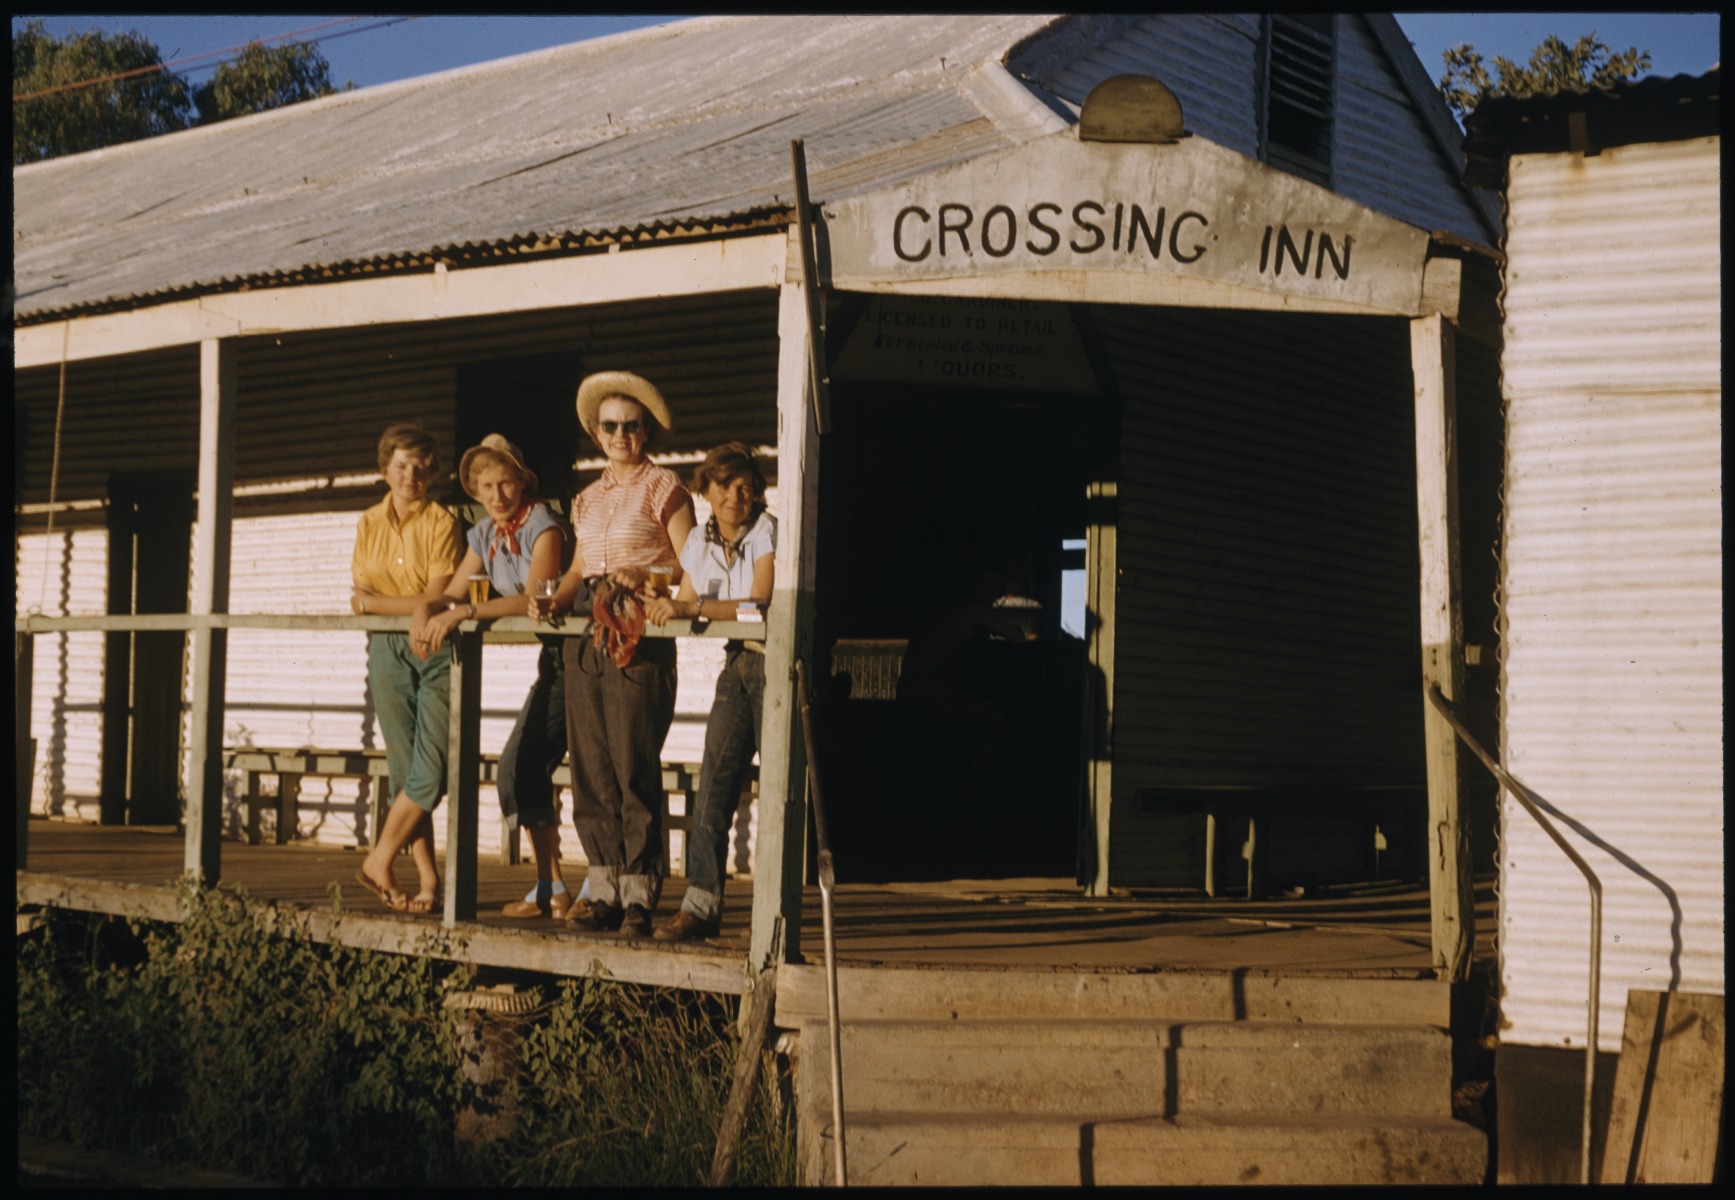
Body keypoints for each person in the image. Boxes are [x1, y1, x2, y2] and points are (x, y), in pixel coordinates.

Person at [532, 371, 695, 937]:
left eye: (632, 425)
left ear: (645, 430)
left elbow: (686, 565)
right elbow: (578, 569)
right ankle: (601, 888)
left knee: (633, 767)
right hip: (590, 637)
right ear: (596, 434)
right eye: (611, 426)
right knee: (592, 766)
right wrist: (553, 598)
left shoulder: (665, 487)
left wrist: (643, 574)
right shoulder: (587, 497)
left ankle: (639, 897)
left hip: (638, 636)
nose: (622, 434)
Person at [417, 433, 578, 918]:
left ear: (522, 483)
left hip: (584, 653)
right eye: (486, 486)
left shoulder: (544, 525)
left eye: (505, 483)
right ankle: (551, 888)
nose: (496, 495)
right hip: (553, 661)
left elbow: (535, 598)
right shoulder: (484, 533)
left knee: (553, 768)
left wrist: (464, 611)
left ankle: (596, 892)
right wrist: (426, 610)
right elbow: (453, 588)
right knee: (522, 768)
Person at [644, 442, 777, 942]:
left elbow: (759, 605)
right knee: (713, 789)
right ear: (706, 490)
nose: (736, 496)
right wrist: (655, 601)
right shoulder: (698, 543)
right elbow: (683, 602)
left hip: (773, 665)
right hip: (736, 665)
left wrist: (692, 610)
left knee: (779, 791)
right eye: (725, 486)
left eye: (745, 487)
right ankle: (701, 906)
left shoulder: (768, 530)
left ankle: (772, 912)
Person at [350, 423, 462, 914]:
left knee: (430, 770)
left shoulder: (442, 521)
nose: (410, 475)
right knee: (404, 770)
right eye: (400, 465)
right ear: (385, 469)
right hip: (387, 651)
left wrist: (380, 602)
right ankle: (427, 881)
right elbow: (359, 599)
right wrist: (381, 604)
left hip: (435, 647)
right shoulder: (368, 522)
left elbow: (437, 597)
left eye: (420, 467)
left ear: (430, 472)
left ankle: (378, 859)